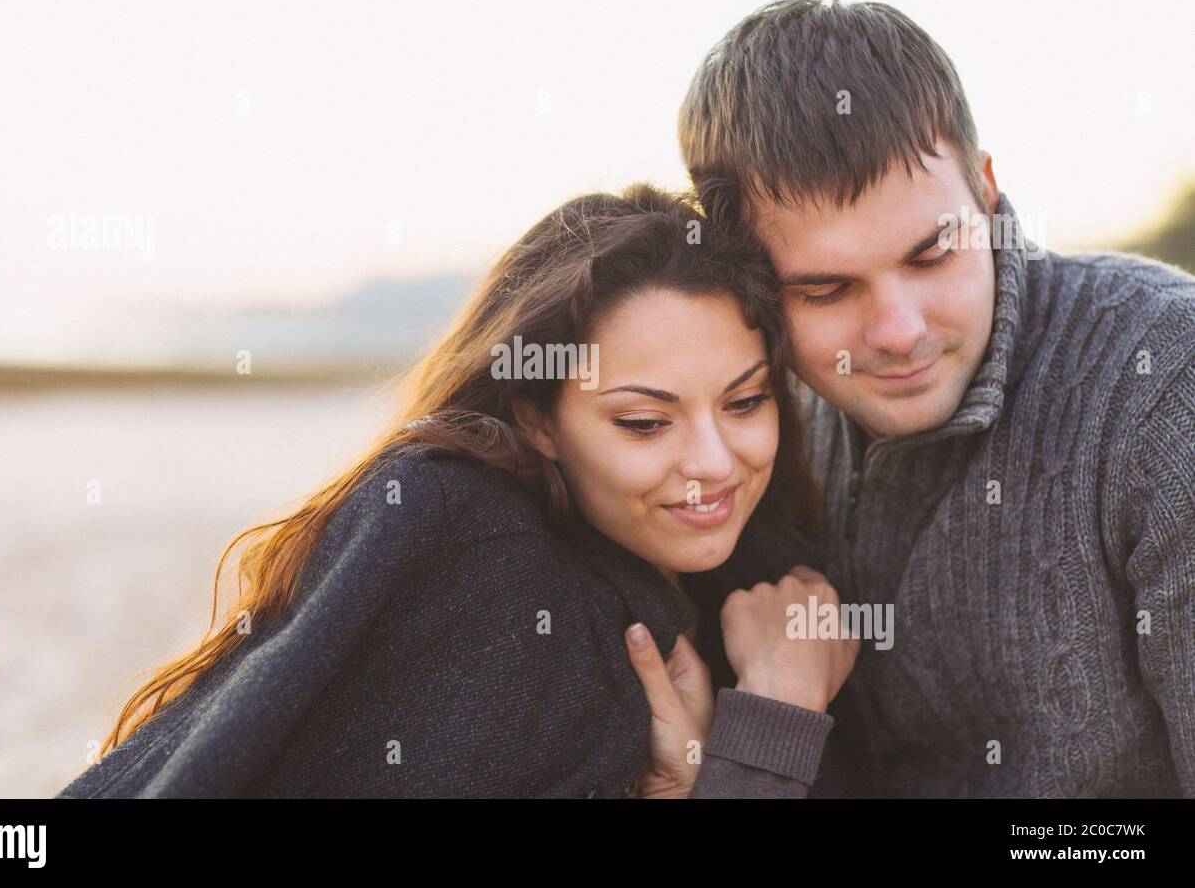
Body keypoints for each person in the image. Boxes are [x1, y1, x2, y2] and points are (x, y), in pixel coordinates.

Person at [55, 183, 859, 799]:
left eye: (745, 403)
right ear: (536, 419)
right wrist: (772, 725)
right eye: (645, 422)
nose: (715, 461)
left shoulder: (742, 578)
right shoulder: (480, 568)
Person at [677, 0, 1195, 797]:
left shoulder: (1165, 376)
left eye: (932, 254)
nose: (898, 330)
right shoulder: (751, 424)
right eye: (825, 289)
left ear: (984, 190)